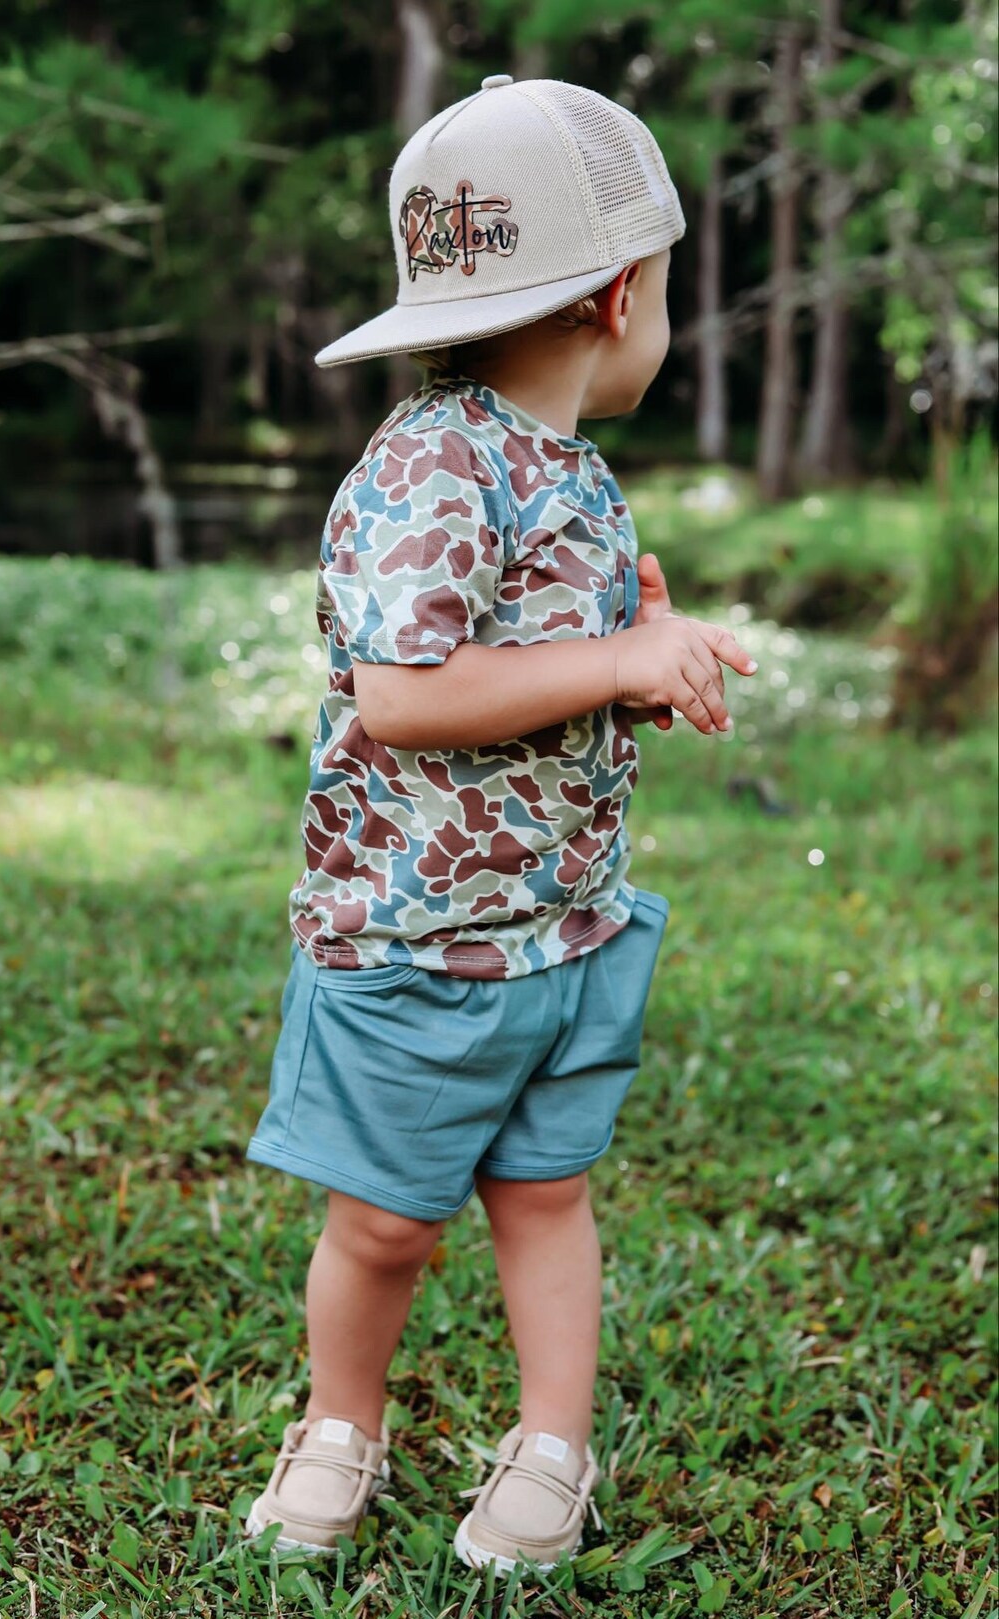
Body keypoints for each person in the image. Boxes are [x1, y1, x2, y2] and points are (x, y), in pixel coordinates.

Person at [243, 74, 758, 1573]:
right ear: (616, 296)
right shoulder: (430, 463)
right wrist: (605, 658)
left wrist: (639, 669)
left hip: (565, 928)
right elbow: (405, 696)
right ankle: (342, 1425)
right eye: (662, 287)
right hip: (413, 949)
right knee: (384, 1228)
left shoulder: (566, 475)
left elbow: (528, 679)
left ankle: (551, 1448)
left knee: (547, 1198)